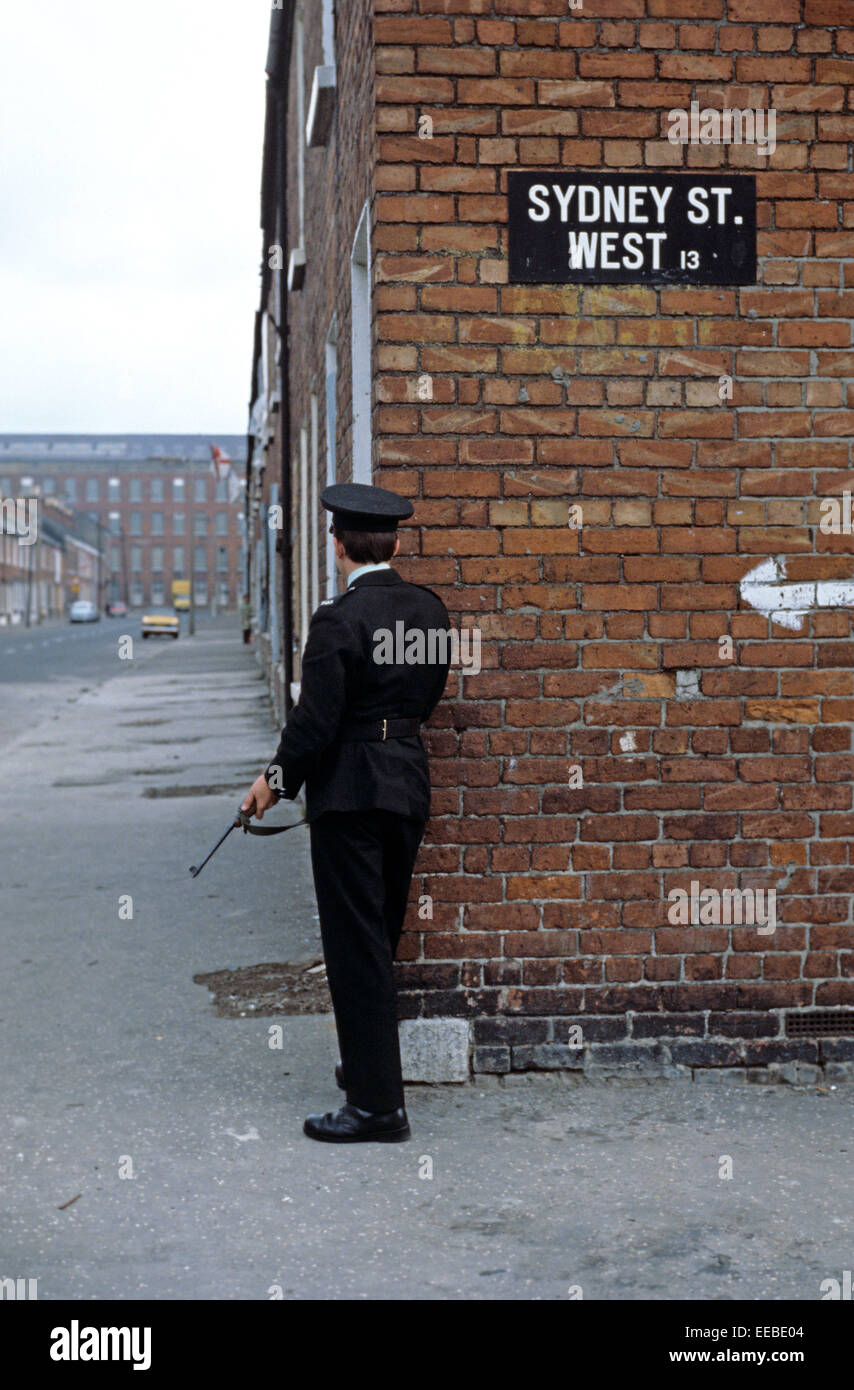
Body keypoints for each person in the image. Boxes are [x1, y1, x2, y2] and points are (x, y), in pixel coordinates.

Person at [242, 483, 451, 1143]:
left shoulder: (338, 619)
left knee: (355, 948)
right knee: (377, 939)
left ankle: (377, 1109)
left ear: (338, 544)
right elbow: (429, 696)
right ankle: (366, 1068)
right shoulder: (429, 611)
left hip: (352, 793)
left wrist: (273, 782)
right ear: (391, 543)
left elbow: (315, 721)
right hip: (407, 784)